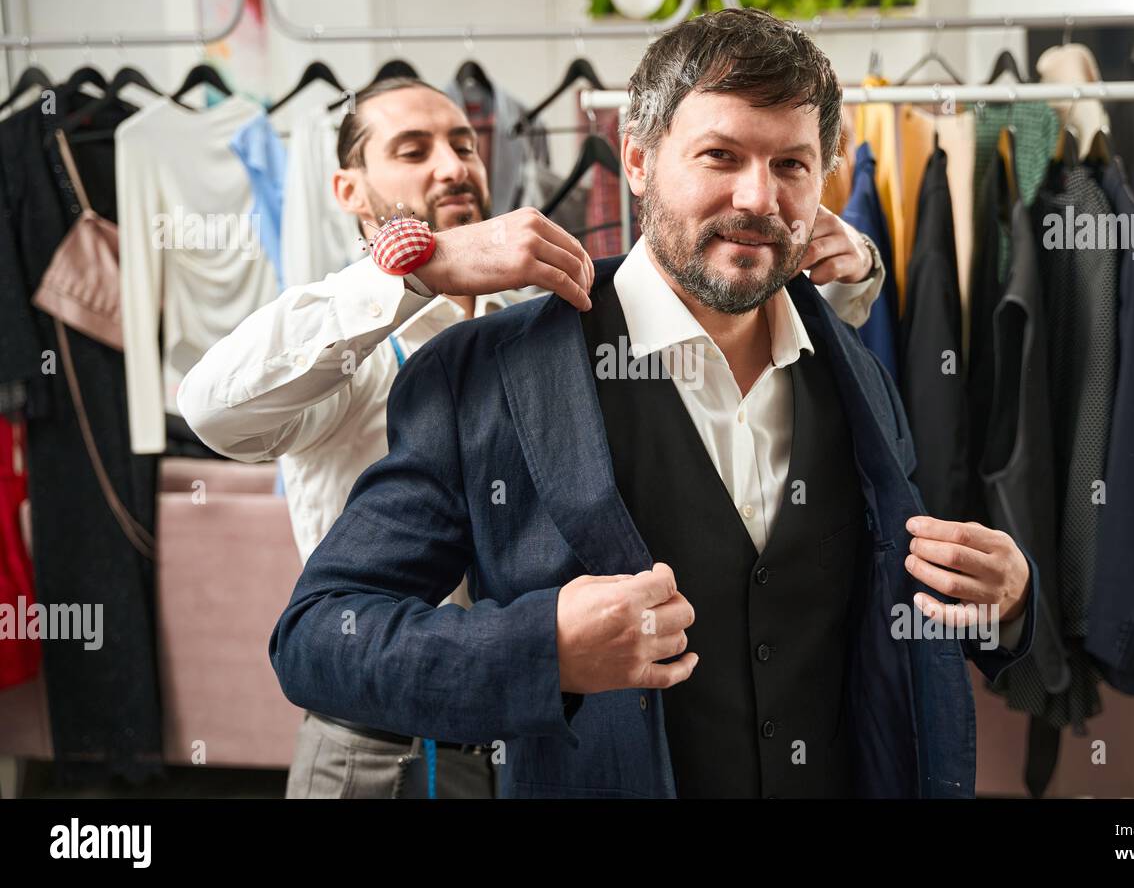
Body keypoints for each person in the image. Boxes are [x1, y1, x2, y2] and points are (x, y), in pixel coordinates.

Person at [183, 73, 885, 797]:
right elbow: (212, 409)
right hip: (383, 744)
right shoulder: (337, 343)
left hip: (536, 733)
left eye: (463, 143)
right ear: (349, 191)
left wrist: (855, 264)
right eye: (412, 149)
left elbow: (743, 341)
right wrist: (418, 272)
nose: (453, 165)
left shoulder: (533, 320)